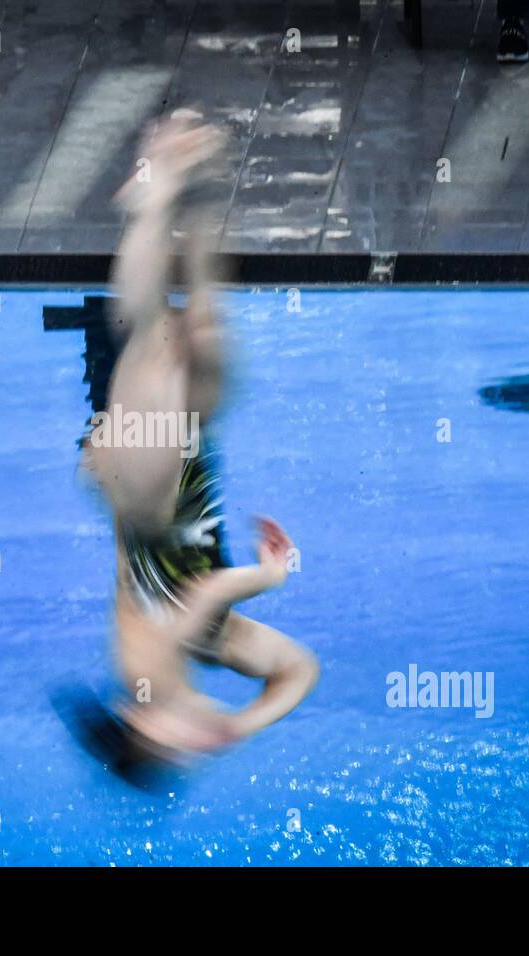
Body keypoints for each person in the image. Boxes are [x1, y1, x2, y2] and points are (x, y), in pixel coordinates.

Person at [62, 112, 318, 785]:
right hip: (186, 473)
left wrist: (265, 578)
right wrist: (239, 725)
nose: (192, 744)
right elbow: (300, 671)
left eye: (176, 748)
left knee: (154, 340)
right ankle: (198, 200)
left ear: (142, 721)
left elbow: (196, 600)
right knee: (201, 329)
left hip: (142, 497)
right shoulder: (215, 651)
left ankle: (155, 192)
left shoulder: (145, 673)